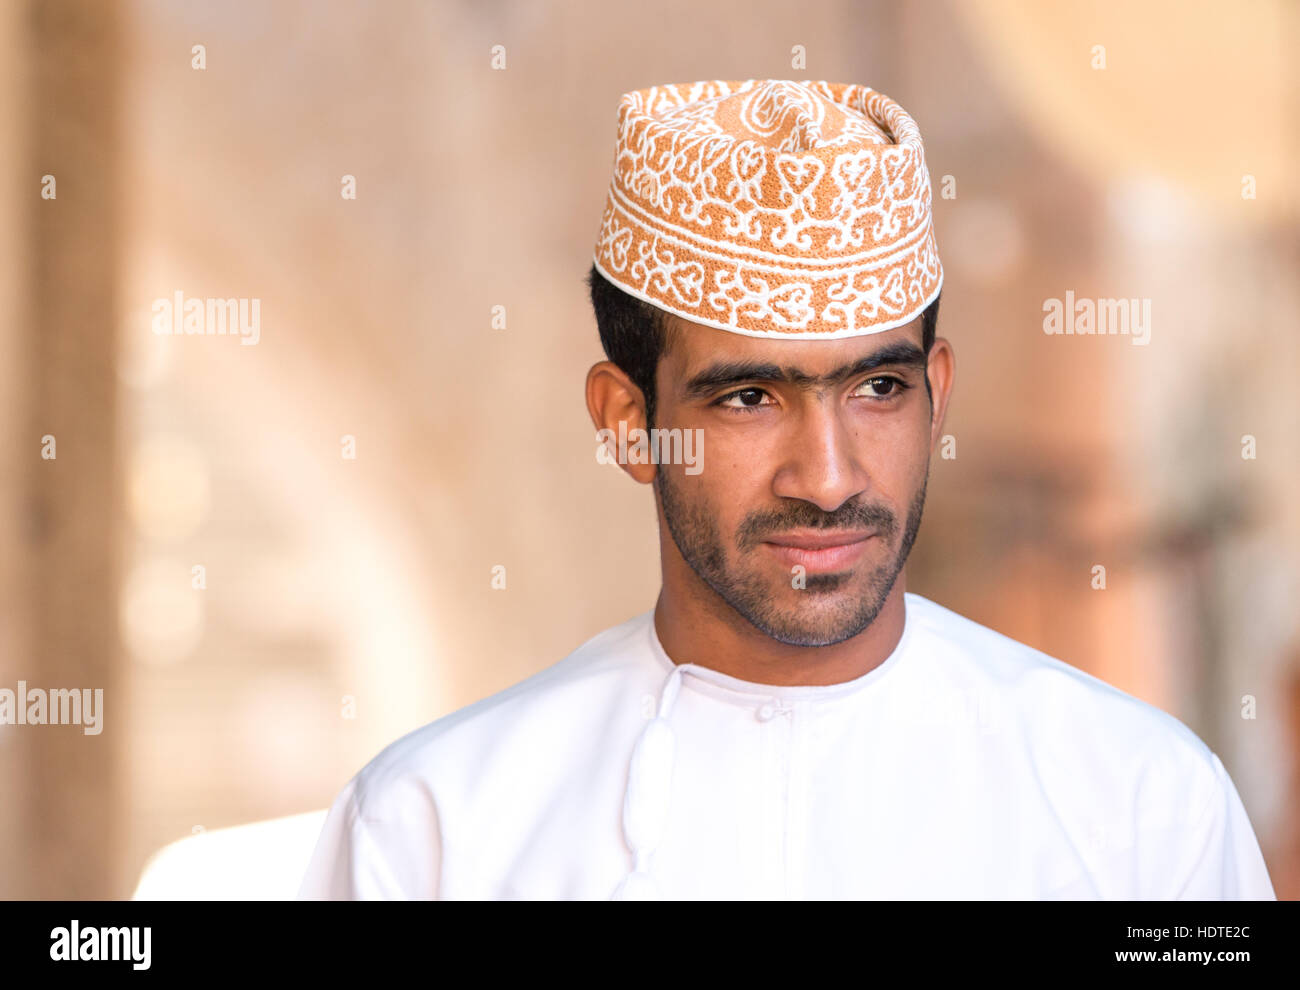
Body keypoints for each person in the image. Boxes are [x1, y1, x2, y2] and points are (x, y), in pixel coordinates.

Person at [298, 79, 1276, 899]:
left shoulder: (1142, 806)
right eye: (749, 397)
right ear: (629, 423)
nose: (828, 478)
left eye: (877, 388)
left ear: (935, 395)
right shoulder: (432, 829)